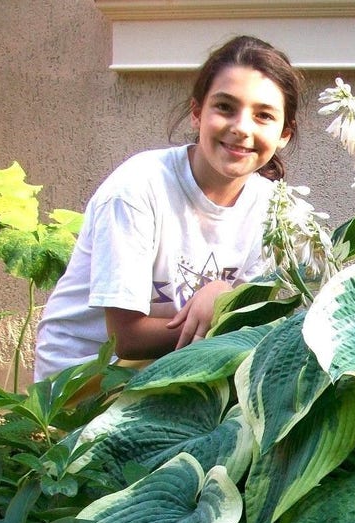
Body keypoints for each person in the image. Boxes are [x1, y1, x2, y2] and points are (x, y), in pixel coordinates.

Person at [34, 35, 303, 380]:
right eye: (225, 107)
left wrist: (226, 297)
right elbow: (125, 339)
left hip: (178, 369)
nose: (241, 128)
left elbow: (253, 318)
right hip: (85, 380)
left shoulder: (274, 210)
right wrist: (226, 311)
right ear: (197, 113)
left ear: (285, 133)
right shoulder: (138, 189)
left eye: (263, 115)